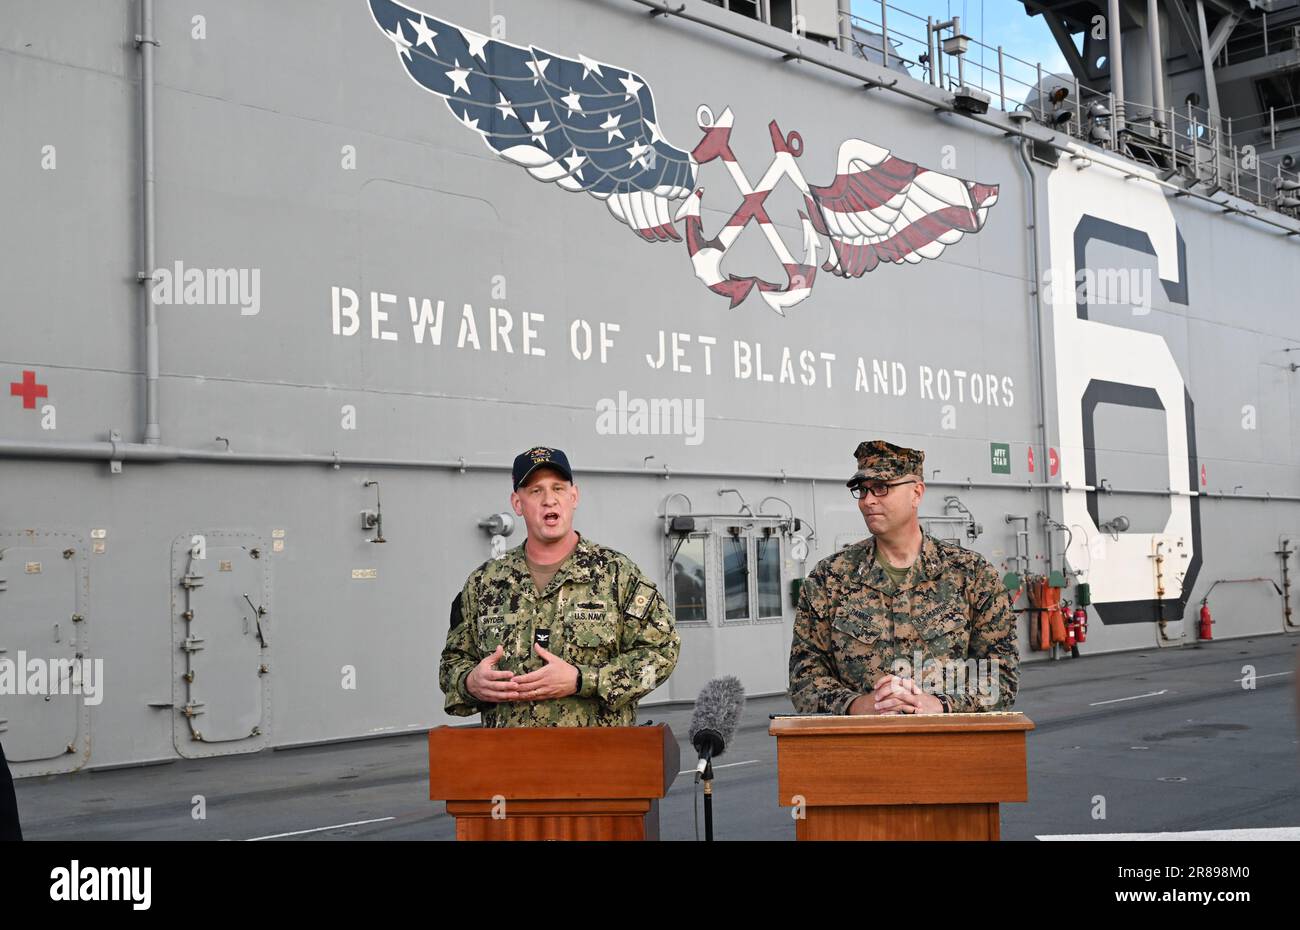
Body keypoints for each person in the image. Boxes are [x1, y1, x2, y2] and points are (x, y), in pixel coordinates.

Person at [440, 446, 680, 726]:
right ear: (518, 504)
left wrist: (583, 680)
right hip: (509, 763)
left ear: (574, 496)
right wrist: (470, 683)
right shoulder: (485, 583)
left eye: (558, 488)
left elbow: (662, 653)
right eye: (536, 491)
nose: (549, 500)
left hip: (597, 761)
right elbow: (451, 665)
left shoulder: (616, 575)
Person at [789, 440, 1019, 715]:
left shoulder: (972, 575)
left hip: (948, 748)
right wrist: (855, 705)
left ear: (916, 493)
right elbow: (804, 676)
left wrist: (942, 705)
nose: (868, 500)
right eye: (863, 491)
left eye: (881, 488)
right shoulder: (829, 579)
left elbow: (1002, 675)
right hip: (859, 750)